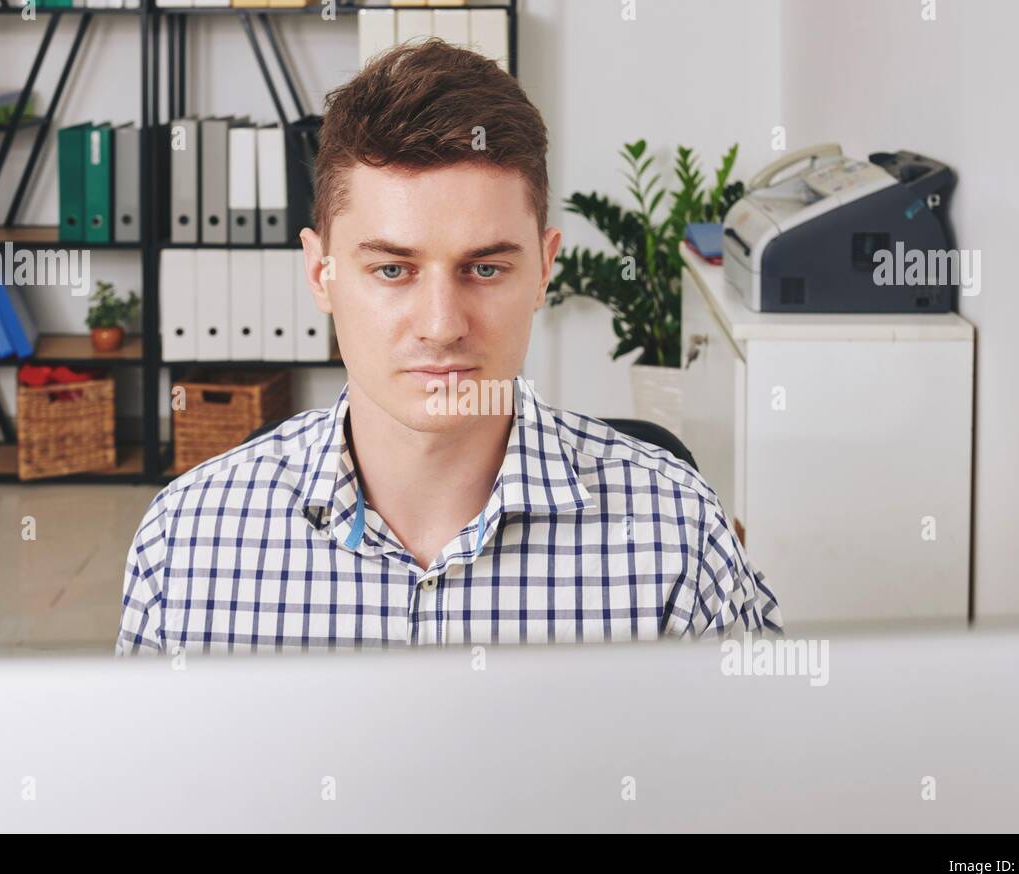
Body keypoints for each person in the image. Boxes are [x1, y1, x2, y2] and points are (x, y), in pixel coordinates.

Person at [117, 39, 779, 654]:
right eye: (392, 270)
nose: (442, 325)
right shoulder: (186, 541)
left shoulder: (677, 531)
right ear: (323, 274)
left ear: (543, 271)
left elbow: (771, 770)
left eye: (485, 269)